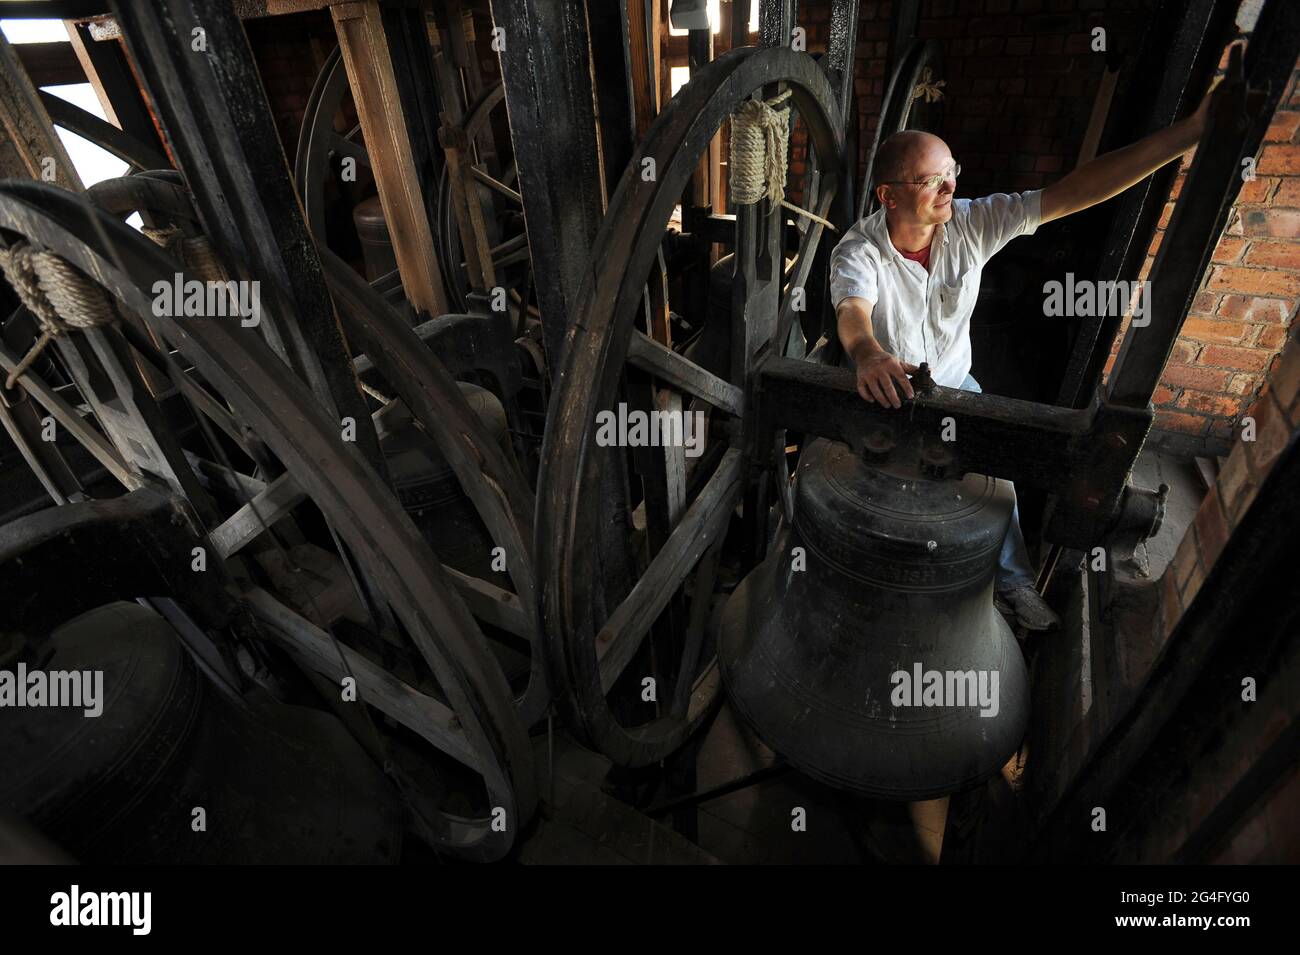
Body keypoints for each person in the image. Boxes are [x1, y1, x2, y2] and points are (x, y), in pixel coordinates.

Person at [829, 89, 1214, 631]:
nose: (950, 188)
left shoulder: (970, 223)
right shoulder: (858, 251)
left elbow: (1070, 192)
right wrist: (867, 354)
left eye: (951, 173)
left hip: (956, 383)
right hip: (884, 396)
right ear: (887, 196)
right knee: (882, 499)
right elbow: (853, 310)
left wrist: (1190, 132)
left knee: (997, 482)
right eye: (931, 180)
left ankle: (1012, 584)